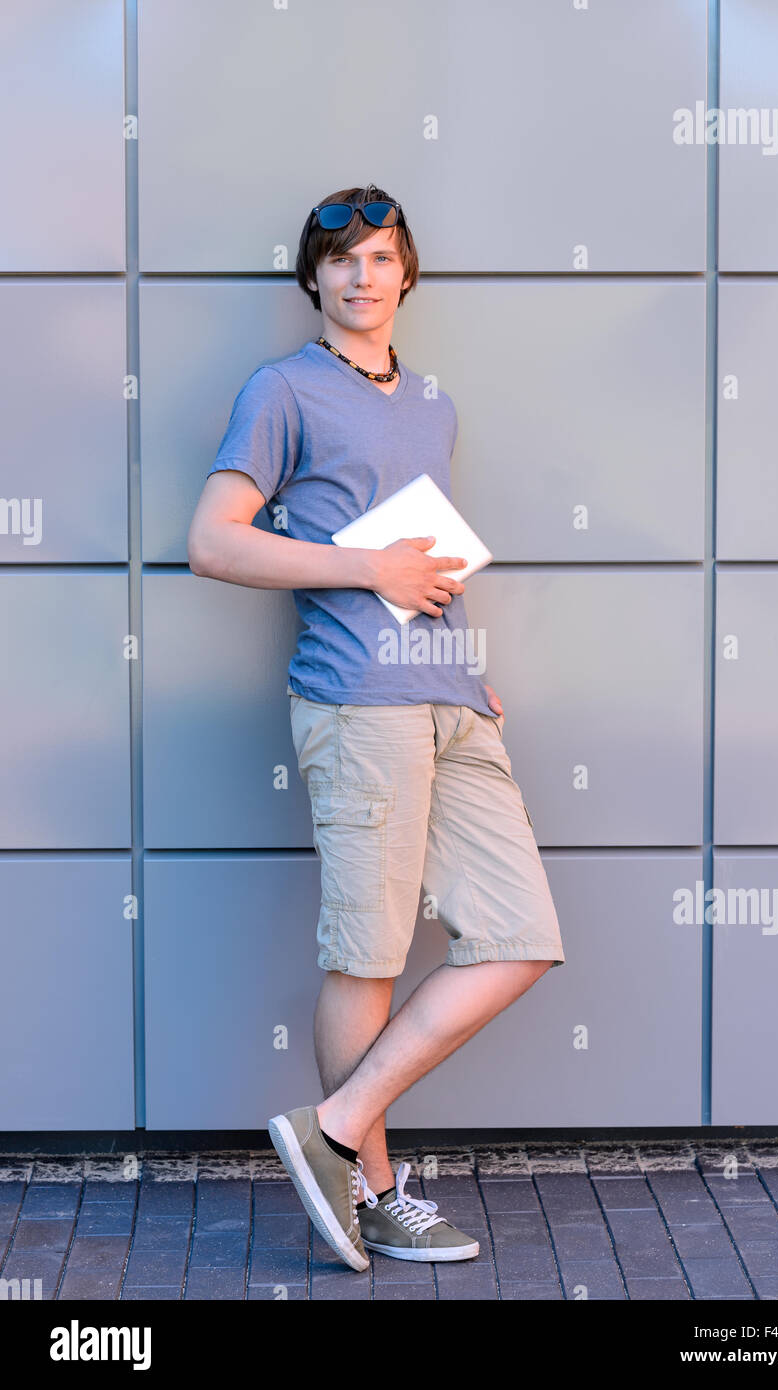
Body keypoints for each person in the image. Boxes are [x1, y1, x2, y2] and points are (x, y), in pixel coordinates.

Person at [187, 183, 566, 1272]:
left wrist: (466, 666)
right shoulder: (282, 391)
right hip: (355, 704)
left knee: (519, 934)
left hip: (447, 692)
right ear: (311, 278)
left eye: (381, 257)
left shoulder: (432, 404)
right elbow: (214, 540)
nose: (362, 276)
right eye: (340, 259)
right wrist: (365, 567)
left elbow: (425, 565)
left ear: (407, 273)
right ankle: (376, 1190)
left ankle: (335, 1128)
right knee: (368, 957)